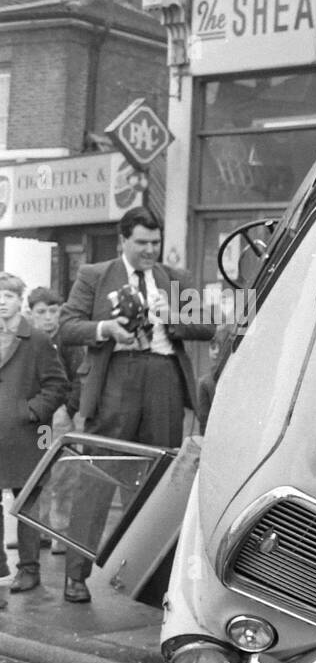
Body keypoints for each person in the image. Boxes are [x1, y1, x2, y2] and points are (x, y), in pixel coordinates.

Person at [57, 208, 215, 602]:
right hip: (115, 378)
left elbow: (208, 325)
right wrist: (104, 329)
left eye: (155, 243)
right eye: (142, 242)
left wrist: (172, 315)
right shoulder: (94, 275)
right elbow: (66, 326)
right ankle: (76, 575)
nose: (149, 250)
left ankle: (154, 583)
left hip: (163, 379)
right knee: (97, 478)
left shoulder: (174, 279)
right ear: (123, 240)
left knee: (160, 481)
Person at [0, 272, 70, 606]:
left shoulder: (37, 340)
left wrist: (30, 411)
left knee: (27, 502)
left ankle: (29, 569)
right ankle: (1, 569)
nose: (2, 301)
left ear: (19, 300)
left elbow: (58, 385)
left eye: (9, 295)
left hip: (27, 434)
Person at [24, 287, 82, 558]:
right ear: (31, 313)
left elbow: (80, 378)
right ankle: (42, 530)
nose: (48, 318)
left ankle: (61, 532)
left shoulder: (68, 342)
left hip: (60, 417)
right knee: (39, 470)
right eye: (41, 312)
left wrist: (68, 409)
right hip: (38, 417)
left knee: (64, 472)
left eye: (53, 311)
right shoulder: (28, 340)